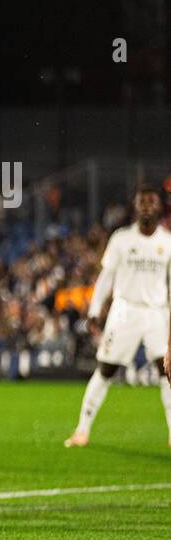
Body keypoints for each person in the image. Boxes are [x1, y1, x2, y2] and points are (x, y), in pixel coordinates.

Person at [65, 187, 171, 448]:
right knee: (106, 369)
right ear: (135, 207)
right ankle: (82, 430)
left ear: (159, 207)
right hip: (124, 311)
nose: (146, 206)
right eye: (142, 202)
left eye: (151, 202)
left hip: (157, 312)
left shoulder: (167, 242)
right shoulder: (121, 239)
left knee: (167, 372)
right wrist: (93, 309)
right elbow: (106, 278)